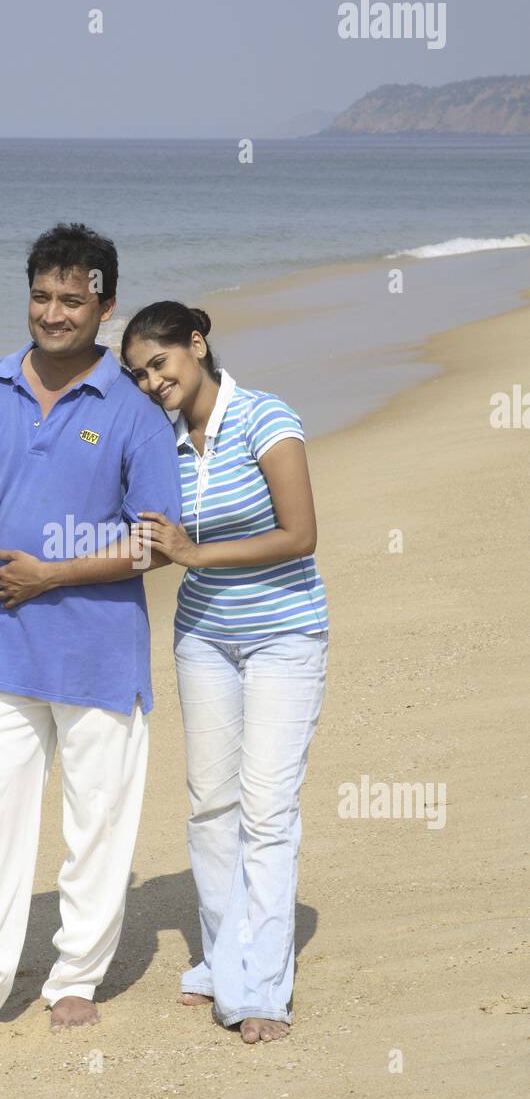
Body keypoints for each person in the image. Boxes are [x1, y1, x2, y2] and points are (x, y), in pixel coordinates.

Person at [0, 223, 182, 1057]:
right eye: (41, 295)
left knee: (98, 823)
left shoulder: (133, 412)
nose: (54, 313)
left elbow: (157, 541)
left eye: (72, 298)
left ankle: (74, 978)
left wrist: (51, 575)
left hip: (100, 653)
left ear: (104, 303)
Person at [121, 302, 329, 1044]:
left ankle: (263, 990)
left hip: (284, 637)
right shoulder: (161, 441)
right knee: (211, 804)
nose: (151, 382)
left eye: (160, 364)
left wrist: (194, 555)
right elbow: (145, 535)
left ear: (197, 346)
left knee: (267, 810)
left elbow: (300, 533)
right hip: (203, 638)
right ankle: (225, 958)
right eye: (139, 374)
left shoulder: (265, 417)